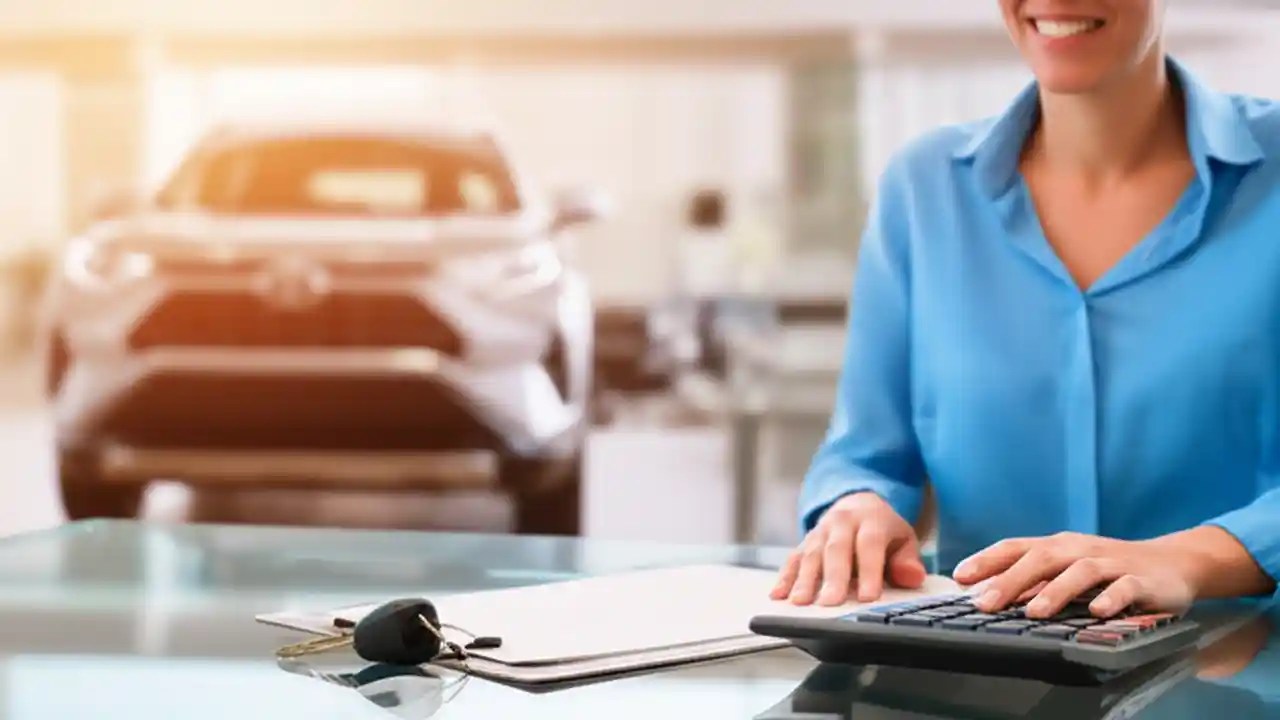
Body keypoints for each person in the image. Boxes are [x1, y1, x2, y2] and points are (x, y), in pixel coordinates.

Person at [773, 0, 1280, 621]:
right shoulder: (925, 187)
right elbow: (869, 451)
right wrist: (858, 506)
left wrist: (1189, 560)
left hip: (1242, 679)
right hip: (975, 680)